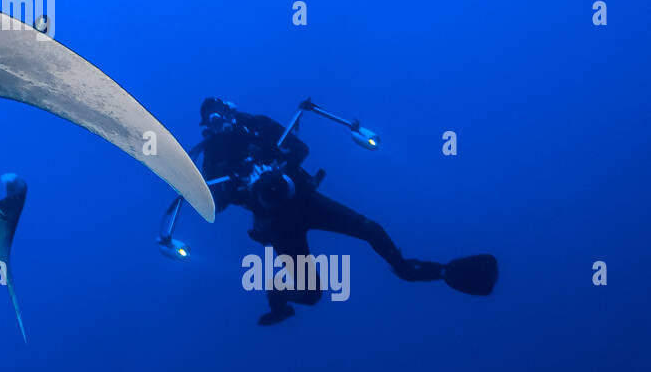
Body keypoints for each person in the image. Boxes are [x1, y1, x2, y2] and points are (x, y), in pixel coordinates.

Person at [166, 97, 498, 325]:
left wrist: (278, 154)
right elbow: (216, 204)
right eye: (211, 116)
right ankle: (279, 296)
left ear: (230, 110)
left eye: (220, 111)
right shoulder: (213, 157)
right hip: (276, 224)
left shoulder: (259, 126)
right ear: (205, 125)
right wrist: (237, 185)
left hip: (303, 199)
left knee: (369, 228)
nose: (218, 119)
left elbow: (301, 148)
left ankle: (411, 270)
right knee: (311, 295)